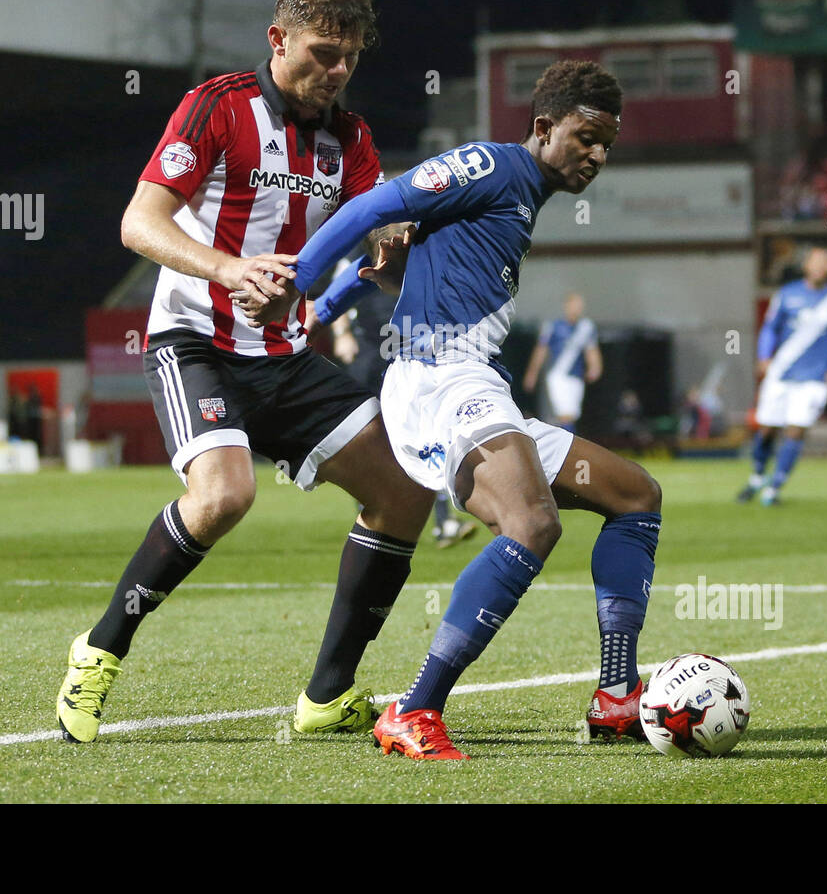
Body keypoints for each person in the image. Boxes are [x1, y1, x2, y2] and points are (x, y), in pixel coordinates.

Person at [55, 0, 434, 744]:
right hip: (196, 341)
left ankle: (328, 694)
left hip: (285, 356)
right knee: (224, 497)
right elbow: (139, 223)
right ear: (277, 38)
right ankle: (99, 650)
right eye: (322, 54)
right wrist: (228, 269)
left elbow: (372, 220)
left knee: (405, 490)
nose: (337, 71)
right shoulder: (217, 107)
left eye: (351, 57)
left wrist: (393, 239)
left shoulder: (351, 138)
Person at [239, 61, 663, 759]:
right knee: (532, 525)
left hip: (473, 383)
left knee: (635, 494)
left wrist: (329, 306)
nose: (598, 154)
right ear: (543, 127)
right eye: (587, 136)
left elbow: (391, 247)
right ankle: (417, 709)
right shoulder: (492, 165)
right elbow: (371, 211)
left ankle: (618, 695)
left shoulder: (520, 196)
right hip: (442, 379)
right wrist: (298, 285)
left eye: (607, 144)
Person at [321, 242, 476, 549]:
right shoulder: (357, 255)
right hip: (368, 352)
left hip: (408, 352)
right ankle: (371, 518)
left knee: (431, 430)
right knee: (368, 436)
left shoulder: (417, 251)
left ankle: (444, 521)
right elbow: (338, 293)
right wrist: (342, 335)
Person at [738, 247, 827, 506]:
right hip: (781, 372)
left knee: (795, 430)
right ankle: (758, 476)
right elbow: (770, 328)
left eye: (825, 263)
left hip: (814, 378)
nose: (820, 267)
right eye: (815, 262)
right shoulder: (786, 294)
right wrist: (764, 356)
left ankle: (774, 489)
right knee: (767, 427)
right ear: (806, 266)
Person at [522, 292, 602, 431]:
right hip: (558, 375)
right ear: (567, 306)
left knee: (572, 414)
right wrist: (532, 373)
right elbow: (541, 350)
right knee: (565, 414)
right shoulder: (553, 326)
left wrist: (595, 367)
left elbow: (591, 350)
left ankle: (567, 440)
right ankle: (569, 446)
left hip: (576, 376)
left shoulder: (586, 327)